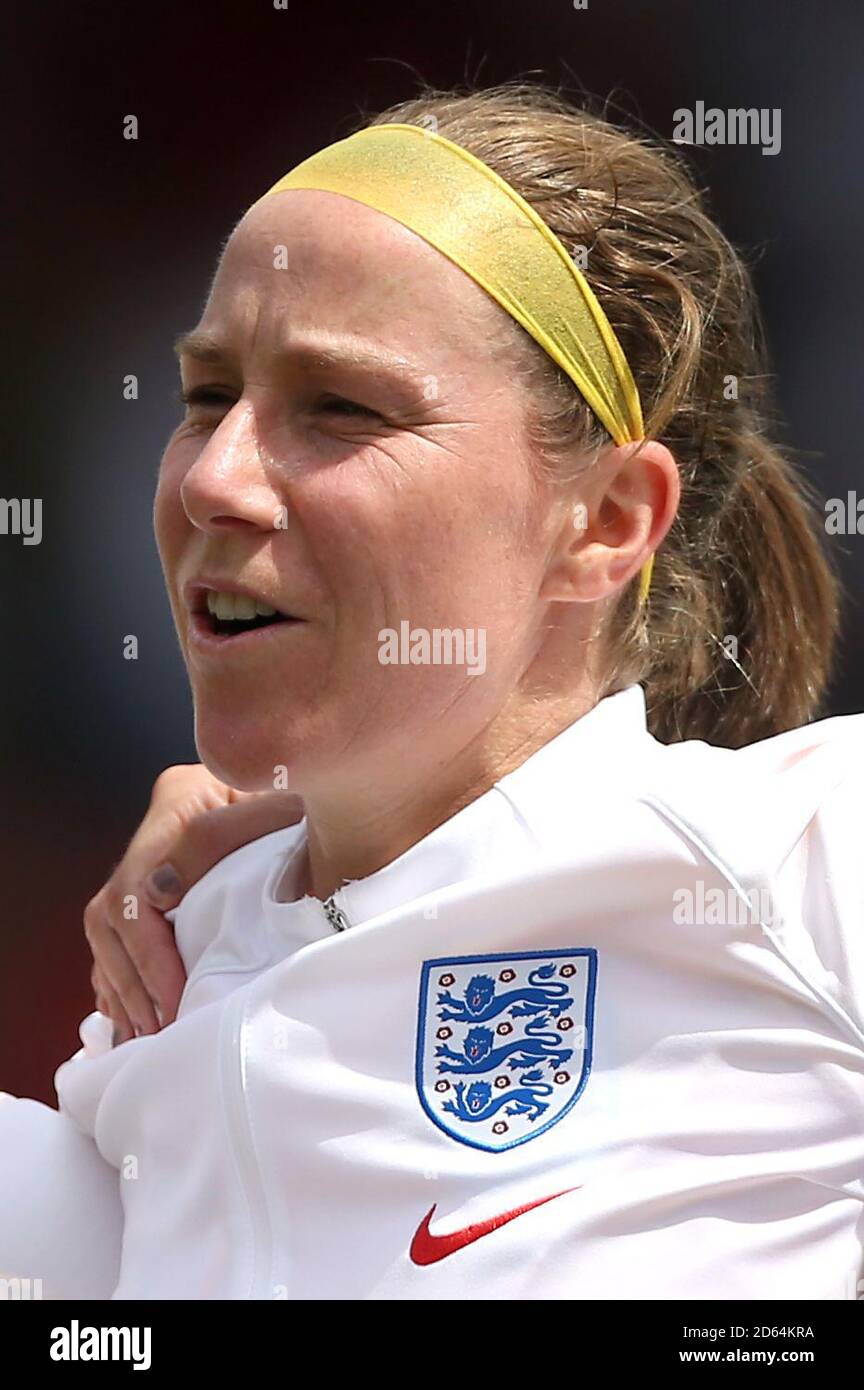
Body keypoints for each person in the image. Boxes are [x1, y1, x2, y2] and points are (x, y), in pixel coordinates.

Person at [2, 80, 862, 1301]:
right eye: (205, 399)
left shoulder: (801, 855)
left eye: (341, 408)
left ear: (606, 521)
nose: (215, 479)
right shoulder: (170, 976)